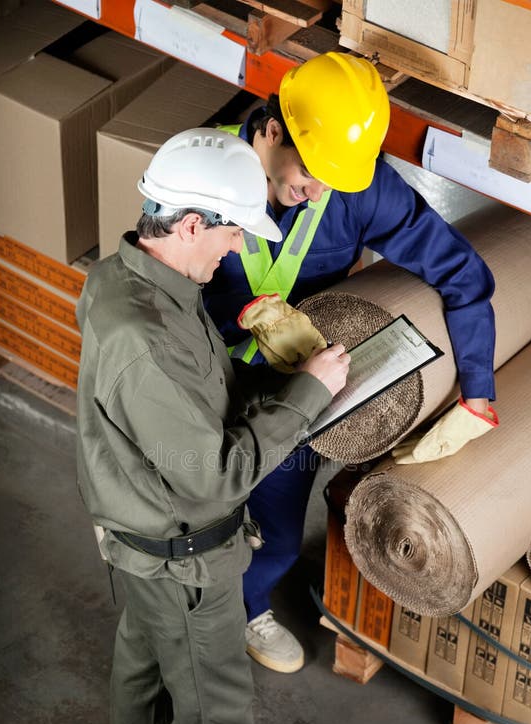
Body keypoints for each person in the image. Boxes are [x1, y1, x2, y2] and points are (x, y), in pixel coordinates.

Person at [75, 127, 350, 724]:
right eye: (230, 234)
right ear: (190, 224)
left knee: (143, 664)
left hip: (138, 541)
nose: (232, 253)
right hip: (182, 551)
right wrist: (306, 399)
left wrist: (264, 375)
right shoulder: (142, 335)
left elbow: (194, 388)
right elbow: (214, 475)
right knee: (215, 706)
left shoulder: (129, 281)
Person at [203, 51, 498, 674]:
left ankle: (249, 605)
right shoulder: (198, 169)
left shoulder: (355, 189)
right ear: (273, 128)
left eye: (334, 179)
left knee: (278, 534)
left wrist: (476, 390)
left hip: (294, 399)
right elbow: (147, 287)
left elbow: (463, 276)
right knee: (190, 513)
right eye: (309, 171)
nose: (317, 193)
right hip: (197, 375)